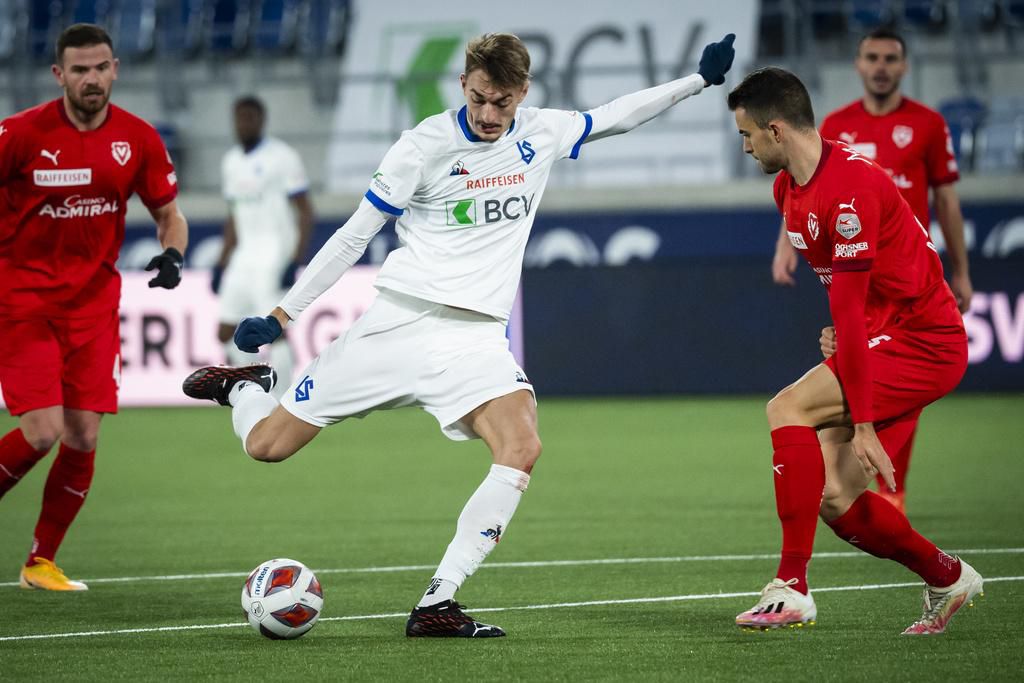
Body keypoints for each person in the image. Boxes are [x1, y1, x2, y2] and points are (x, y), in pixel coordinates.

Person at [183, 31, 736, 637]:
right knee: (267, 445)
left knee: (522, 446)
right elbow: (354, 234)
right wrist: (284, 315)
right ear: (462, 85)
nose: (489, 114)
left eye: (502, 102)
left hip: (474, 342)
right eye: (478, 99)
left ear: (523, 92)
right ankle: (246, 390)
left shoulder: (541, 133)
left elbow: (615, 117)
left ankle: (436, 603)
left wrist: (697, 83)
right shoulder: (421, 146)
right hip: (397, 324)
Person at [727, 67, 981, 634]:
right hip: (890, 338)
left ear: (774, 130)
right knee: (837, 495)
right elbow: (852, 302)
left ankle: (791, 587)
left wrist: (864, 424)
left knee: (785, 407)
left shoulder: (852, 187)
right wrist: (856, 336)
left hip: (928, 343)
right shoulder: (786, 189)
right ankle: (947, 576)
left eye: (746, 135)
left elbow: (846, 306)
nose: (743, 147)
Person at [0, 24, 187, 590]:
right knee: (41, 431)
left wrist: (173, 253)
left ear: (115, 69)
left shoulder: (138, 138)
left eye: (100, 67)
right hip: (23, 302)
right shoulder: (19, 133)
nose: (91, 79)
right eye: (79, 70)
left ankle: (40, 562)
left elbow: (167, 211)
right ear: (59, 75)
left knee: (82, 436)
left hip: (94, 309)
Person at [770, 28, 972, 514]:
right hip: (862, 279)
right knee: (853, 365)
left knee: (885, 379)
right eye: (872, 57)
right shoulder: (834, 128)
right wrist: (788, 244)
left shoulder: (927, 125)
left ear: (903, 67)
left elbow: (945, 198)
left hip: (907, 275)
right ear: (858, 65)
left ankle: (890, 489)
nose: (881, 66)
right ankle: (896, 515)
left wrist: (960, 271)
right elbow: (807, 191)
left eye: (890, 58)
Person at [212, 96, 314, 396]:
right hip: (244, 256)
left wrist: (294, 259)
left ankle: (282, 396)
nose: (244, 123)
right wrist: (221, 262)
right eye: (239, 118)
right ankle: (250, 390)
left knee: (273, 331)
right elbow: (234, 216)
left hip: (273, 253)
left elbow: (306, 211)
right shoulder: (230, 161)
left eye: (250, 117)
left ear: (261, 120)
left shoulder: (282, 157)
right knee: (224, 332)